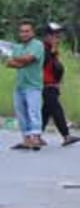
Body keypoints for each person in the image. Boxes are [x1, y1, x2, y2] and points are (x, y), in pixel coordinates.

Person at [6, 19, 44, 149]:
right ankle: (26, 139)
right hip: (20, 85)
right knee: (21, 113)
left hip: (33, 85)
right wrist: (22, 61)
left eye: (27, 31)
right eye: (22, 31)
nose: (24, 34)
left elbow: (29, 59)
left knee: (34, 112)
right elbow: (9, 64)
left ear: (32, 32)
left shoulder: (37, 45)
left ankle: (36, 138)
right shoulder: (18, 47)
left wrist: (19, 60)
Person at [41, 23, 80, 146]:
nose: (58, 38)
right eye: (55, 36)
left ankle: (36, 135)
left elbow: (57, 68)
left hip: (52, 84)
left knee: (46, 111)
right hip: (46, 85)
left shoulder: (53, 50)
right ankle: (66, 135)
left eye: (58, 36)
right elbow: (44, 65)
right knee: (56, 109)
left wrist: (58, 82)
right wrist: (52, 51)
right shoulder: (42, 49)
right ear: (47, 36)